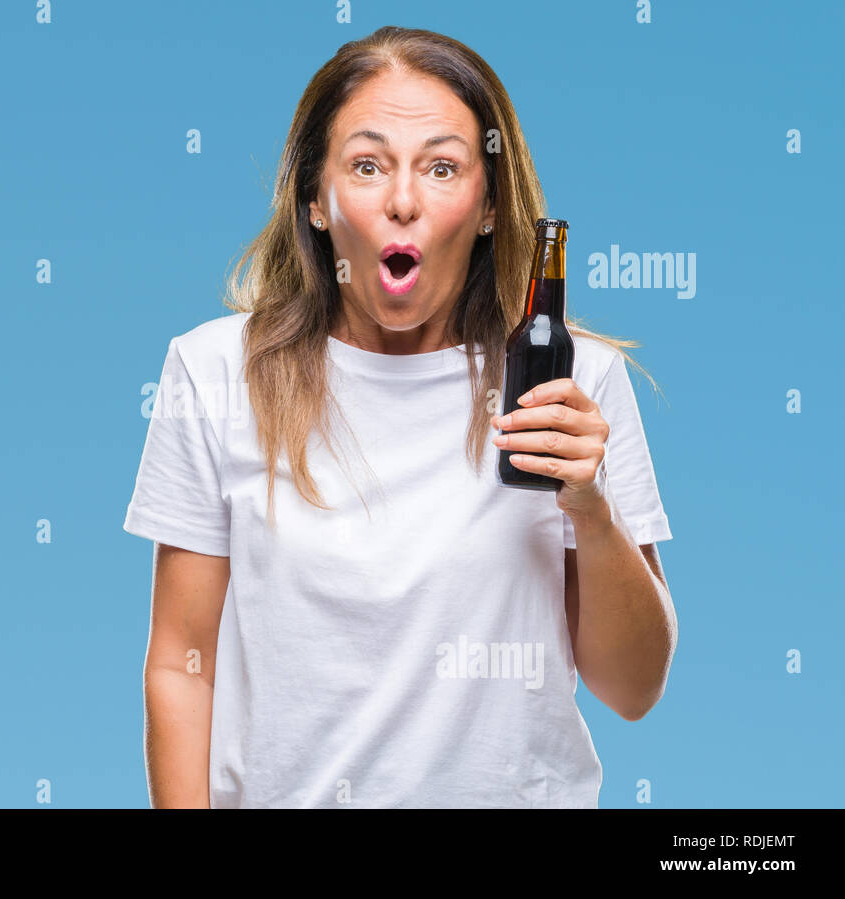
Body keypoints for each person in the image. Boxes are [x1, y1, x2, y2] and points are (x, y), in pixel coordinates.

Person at [123, 26, 676, 809]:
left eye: (442, 167)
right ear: (316, 199)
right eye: (368, 165)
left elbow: (634, 687)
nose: (404, 200)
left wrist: (591, 508)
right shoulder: (214, 373)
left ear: (488, 205)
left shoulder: (572, 380)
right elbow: (183, 660)